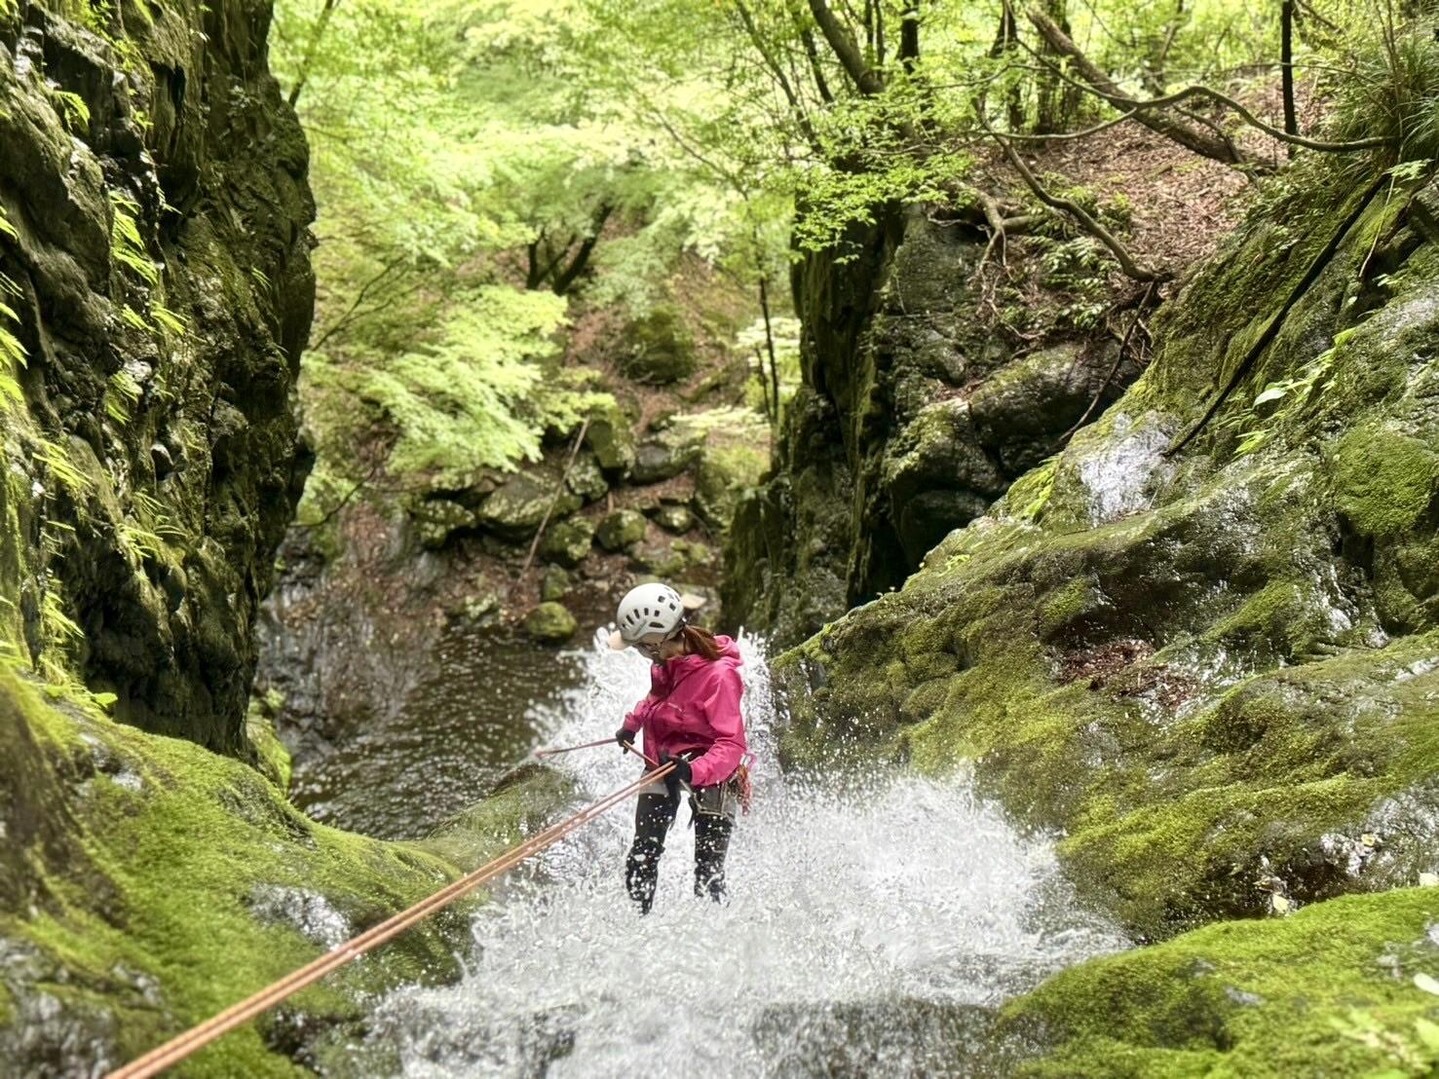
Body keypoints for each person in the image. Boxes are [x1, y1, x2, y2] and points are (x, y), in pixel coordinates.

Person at [608, 582, 750, 915]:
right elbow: (657, 698)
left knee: (708, 874)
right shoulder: (664, 663)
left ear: (655, 641)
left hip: (715, 770)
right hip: (666, 759)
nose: (639, 653)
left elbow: (730, 744)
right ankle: (637, 927)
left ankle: (714, 936)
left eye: (641, 647)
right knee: (641, 857)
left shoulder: (720, 676)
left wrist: (692, 771)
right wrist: (633, 723)